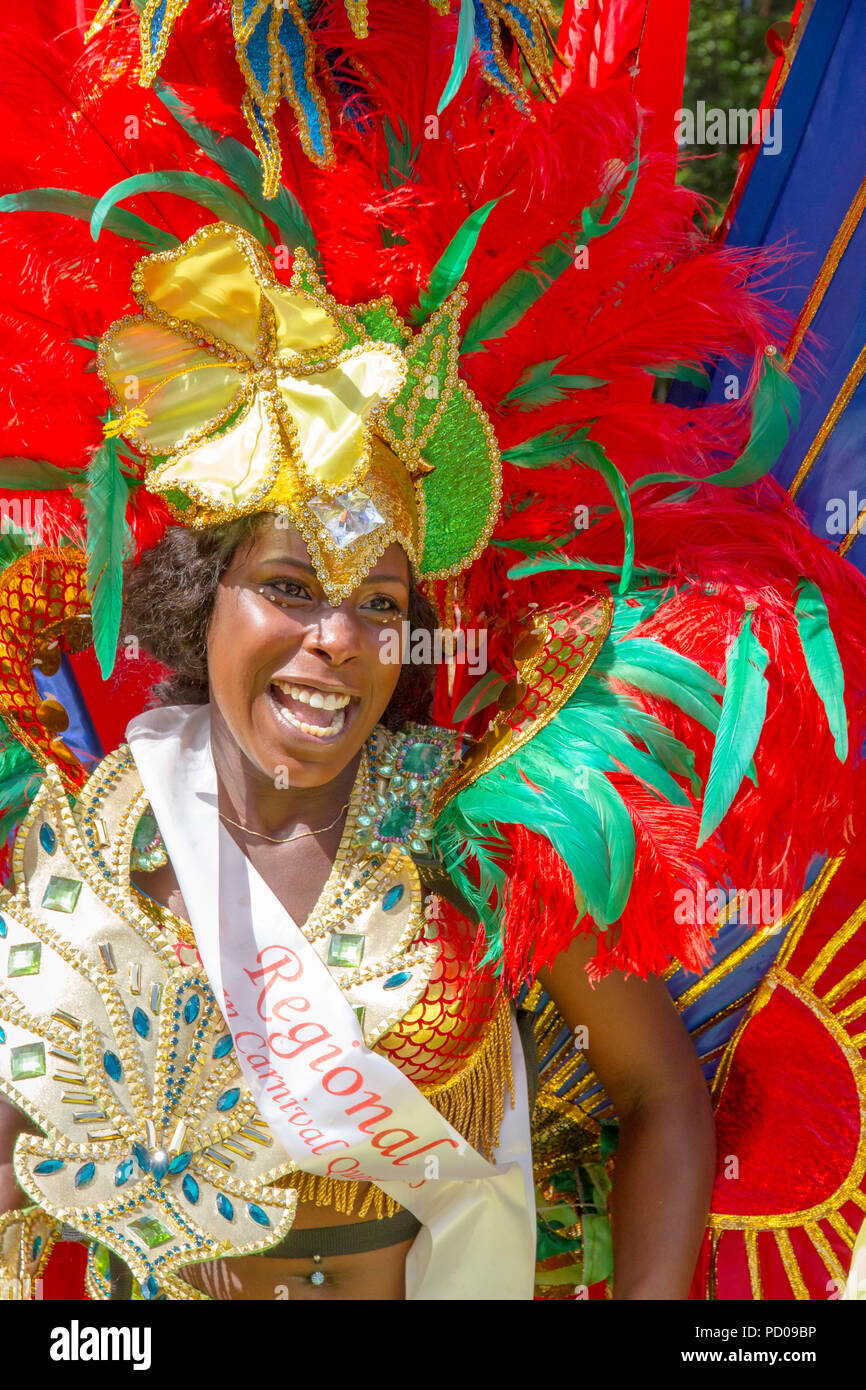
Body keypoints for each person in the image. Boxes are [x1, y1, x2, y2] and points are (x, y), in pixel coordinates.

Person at [0, 2, 864, 1303]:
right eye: (289, 587)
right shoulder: (92, 844)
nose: (337, 639)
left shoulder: (471, 843)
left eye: (380, 602)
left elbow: (658, 1097)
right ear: (199, 601)